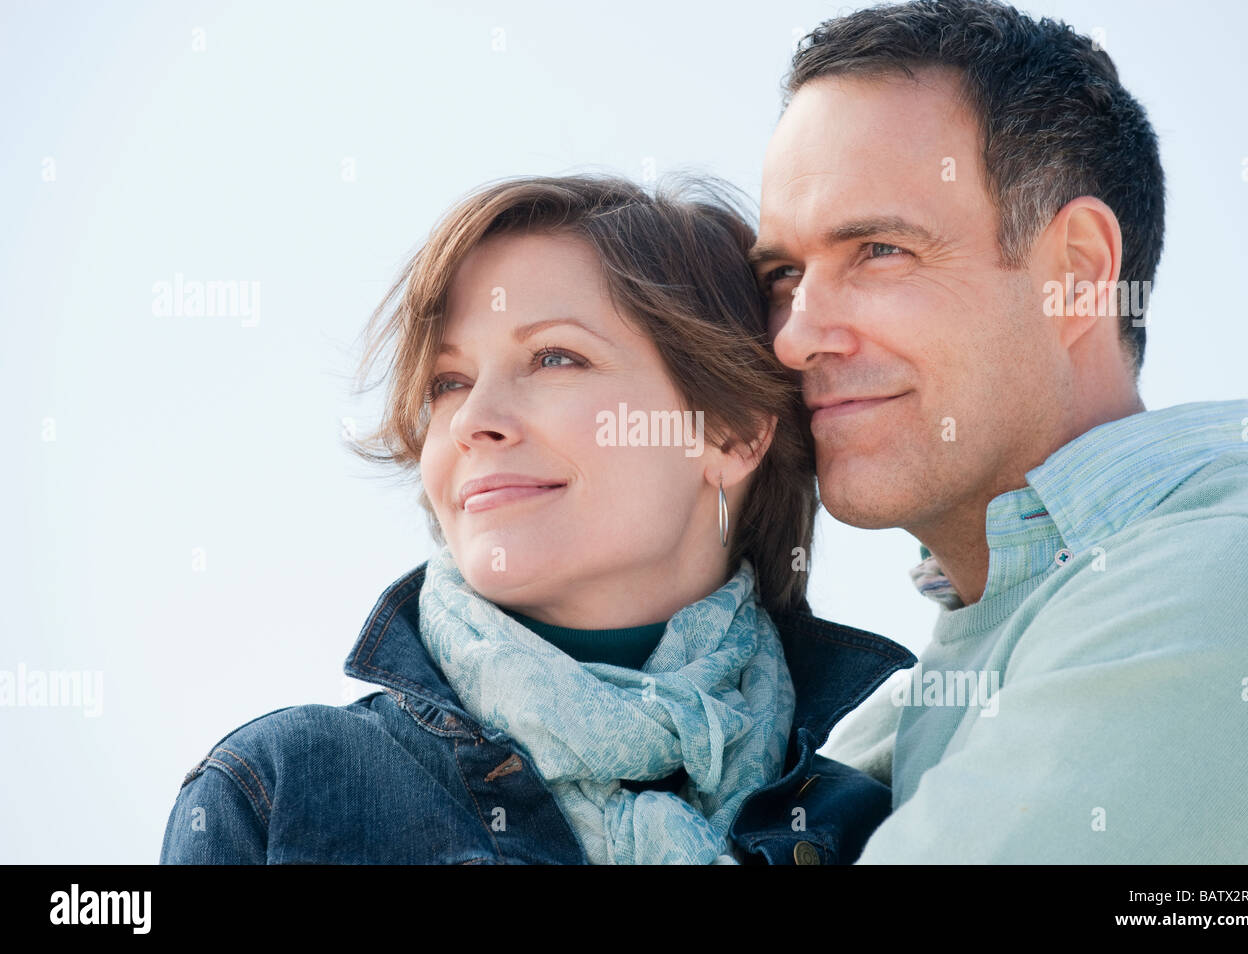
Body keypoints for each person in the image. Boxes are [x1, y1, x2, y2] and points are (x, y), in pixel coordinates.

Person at [158, 173, 914, 865]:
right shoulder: (282, 793)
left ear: (730, 430)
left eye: (555, 358)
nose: (474, 421)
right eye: (448, 381)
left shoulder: (899, 814)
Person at [754, 0, 1248, 862]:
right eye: (785, 272)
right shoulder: (935, 690)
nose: (794, 334)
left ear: (1078, 274)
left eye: (879, 251)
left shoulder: (1237, 588)